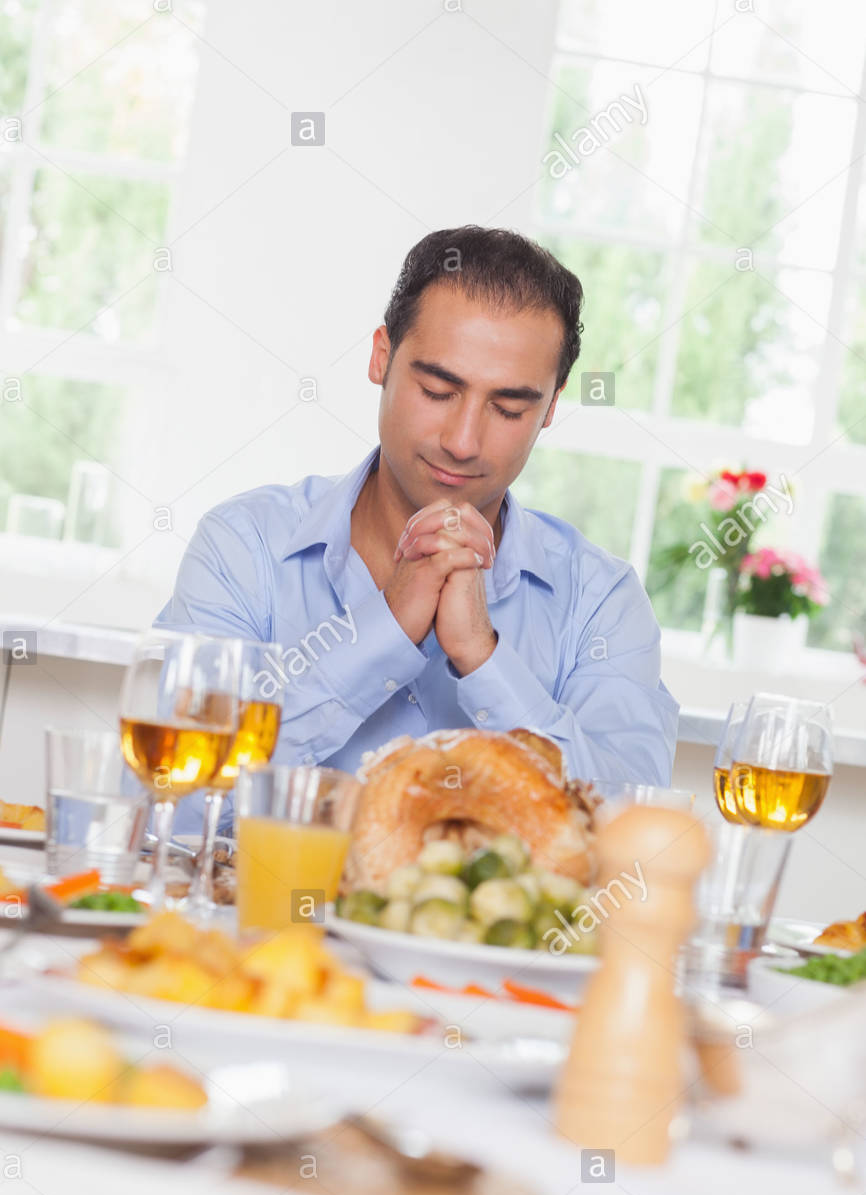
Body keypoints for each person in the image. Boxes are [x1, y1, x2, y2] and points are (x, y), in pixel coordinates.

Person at [157, 225, 678, 806]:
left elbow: (629, 837)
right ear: (382, 357)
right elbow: (172, 802)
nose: (462, 441)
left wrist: (484, 656)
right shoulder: (244, 547)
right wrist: (384, 627)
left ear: (551, 407)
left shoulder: (600, 603)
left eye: (507, 409)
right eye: (436, 390)